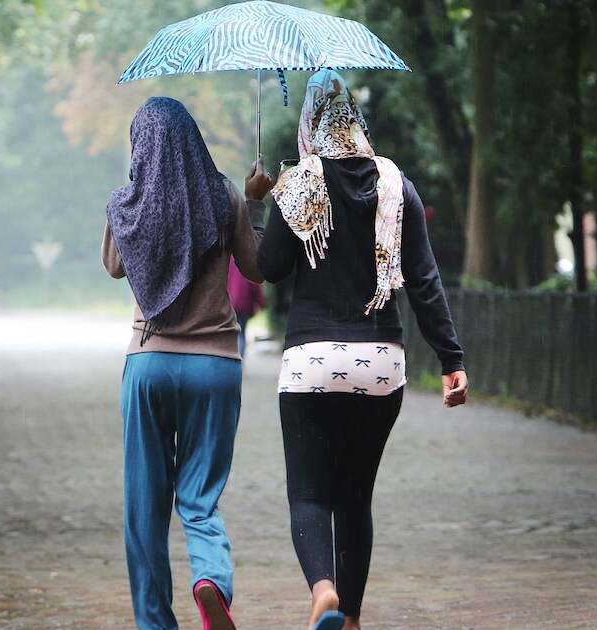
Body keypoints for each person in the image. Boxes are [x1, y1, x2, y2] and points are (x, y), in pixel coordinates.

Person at [254, 70, 469, 630]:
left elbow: (269, 270)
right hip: (380, 363)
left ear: (309, 121)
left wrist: (262, 203)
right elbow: (423, 280)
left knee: (309, 492)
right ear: (354, 117)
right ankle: (349, 620)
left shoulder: (300, 182)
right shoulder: (395, 184)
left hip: (311, 362)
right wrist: (451, 360)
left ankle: (323, 591)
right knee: (354, 497)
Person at [102, 96, 266, 630]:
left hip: (149, 363)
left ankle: (155, 623)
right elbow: (258, 268)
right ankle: (211, 580)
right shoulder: (224, 197)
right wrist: (255, 200)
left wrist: (130, 198)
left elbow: (112, 267)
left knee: (144, 509)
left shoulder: (129, 200)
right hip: (214, 365)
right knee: (198, 497)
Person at [227, 258, 266, 357]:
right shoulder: (246, 261)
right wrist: (261, 303)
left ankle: (230, 357)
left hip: (228, 303)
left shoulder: (227, 261)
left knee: (230, 334)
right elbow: (255, 284)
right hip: (243, 304)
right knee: (241, 333)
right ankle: (239, 360)